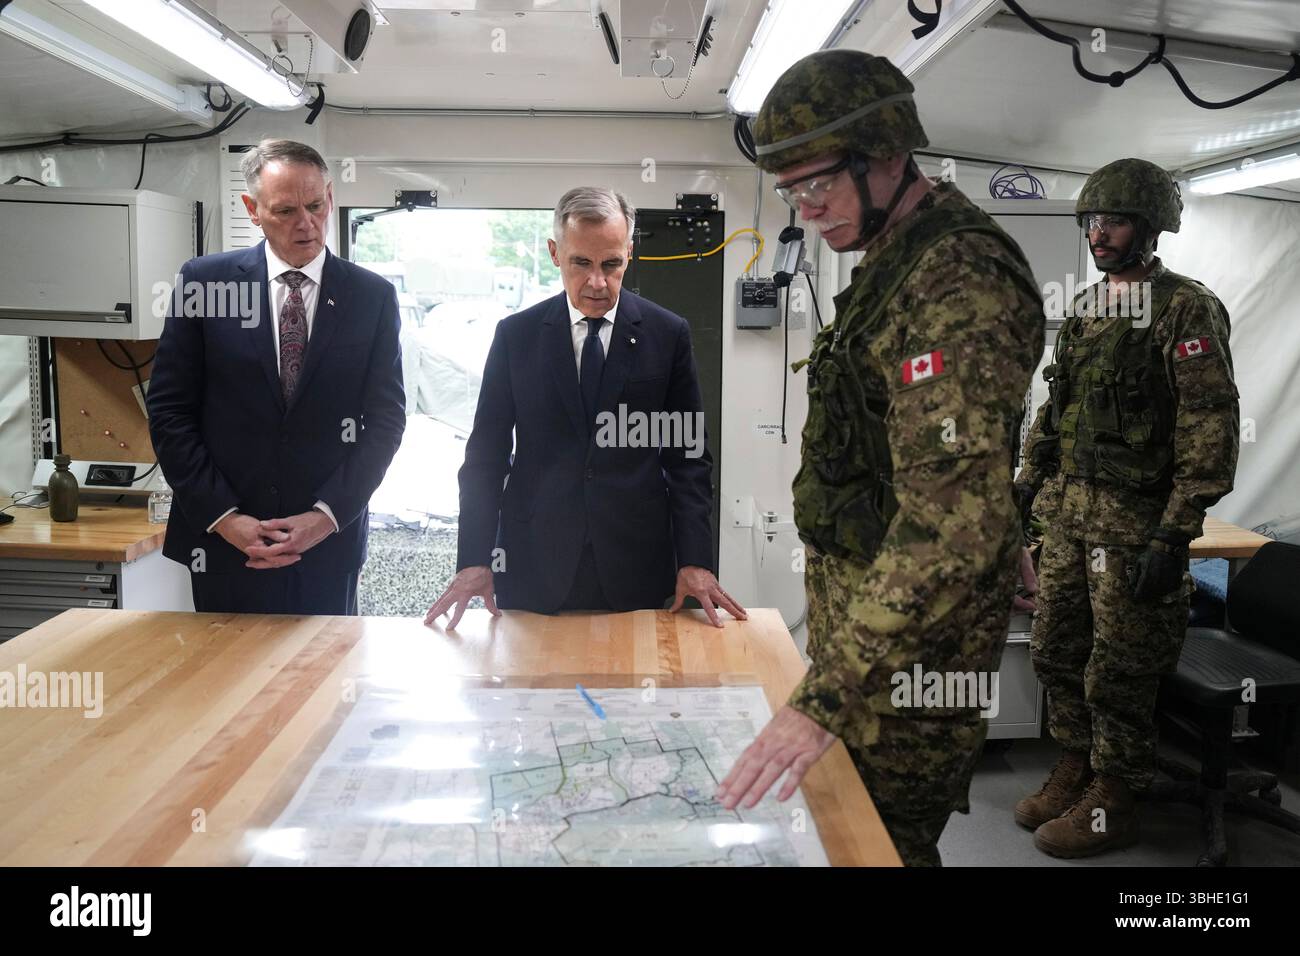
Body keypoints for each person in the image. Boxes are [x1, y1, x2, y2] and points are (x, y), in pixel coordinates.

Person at [715, 49, 1045, 866]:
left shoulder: (957, 278)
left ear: (888, 155)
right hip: (873, 635)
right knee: (844, 833)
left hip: (910, 662)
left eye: (817, 183)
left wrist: (822, 699)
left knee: (880, 846)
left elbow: (948, 530)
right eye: (791, 191)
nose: (806, 208)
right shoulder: (894, 263)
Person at [1014, 157, 1239, 858]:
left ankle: (1116, 794)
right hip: (1068, 518)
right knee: (1056, 653)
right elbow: (1058, 408)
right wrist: (1026, 485)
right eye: (1091, 221)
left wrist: (1175, 534)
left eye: (1112, 220)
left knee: (1120, 668)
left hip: (1137, 528)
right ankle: (1076, 765)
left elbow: (1210, 425)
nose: (1098, 233)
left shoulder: (1184, 307)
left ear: (1147, 226)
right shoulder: (1087, 308)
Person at [426, 187, 745, 626]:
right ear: (556, 253)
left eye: (611, 264)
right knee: (532, 692)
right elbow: (485, 458)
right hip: (534, 564)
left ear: (629, 254)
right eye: (582, 263)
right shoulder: (515, 337)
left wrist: (695, 560)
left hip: (637, 567)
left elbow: (688, 458)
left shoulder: (667, 334)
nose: (597, 282)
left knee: (636, 690)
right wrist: (473, 560)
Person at [148, 139, 406, 614]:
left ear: (330, 198)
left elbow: (386, 422)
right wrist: (226, 518)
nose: (306, 224)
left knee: (323, 682)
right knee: (223, 683)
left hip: (327, 546)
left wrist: (324, 518)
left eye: (315, 205)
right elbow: (169, 412)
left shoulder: (371, 297)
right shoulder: (206, 284)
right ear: (253, 209)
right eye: (286, 210)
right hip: (224, 545)